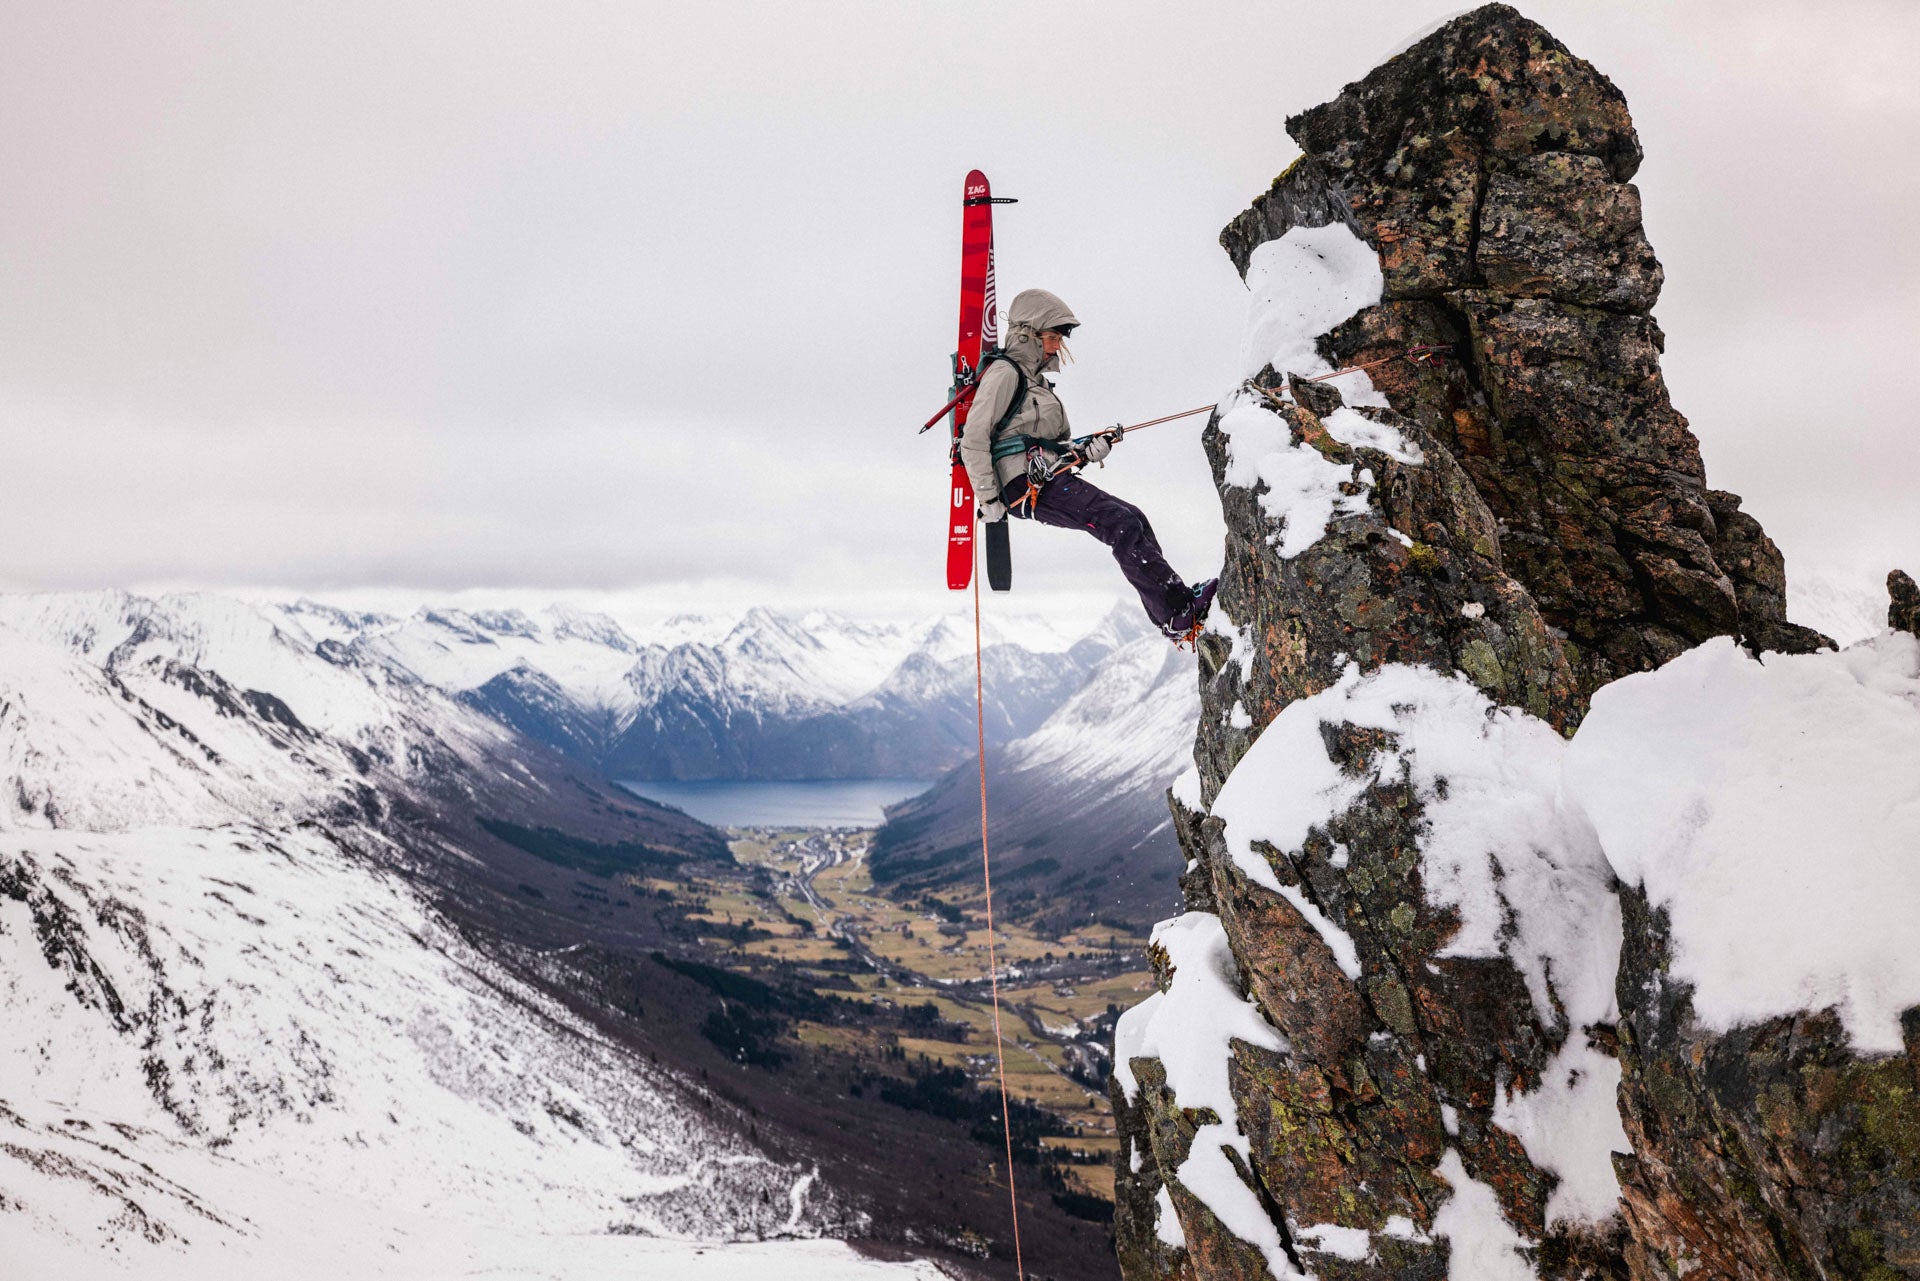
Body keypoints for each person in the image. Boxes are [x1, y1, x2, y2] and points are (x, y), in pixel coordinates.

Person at [961, 288, 1217, 642]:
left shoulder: (1035, 381)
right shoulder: (1005, 373)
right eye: (1051, 338)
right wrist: (990, 502)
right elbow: (974, 439)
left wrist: (1085, 450)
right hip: (1022, 486)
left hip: (1045, 477)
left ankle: (1173, 611)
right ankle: (1177, 615)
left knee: (1133, 517)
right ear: (1028, 334)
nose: (1054, 347)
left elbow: (1045, 444)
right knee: (1120, 523)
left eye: (1057, 340)